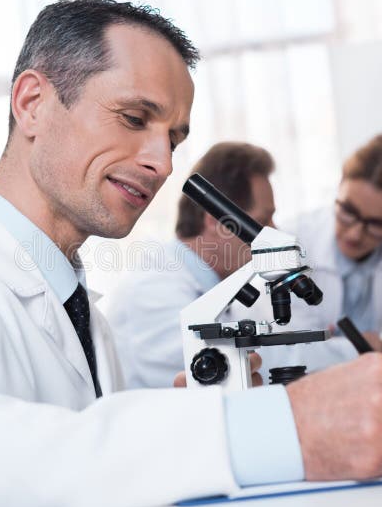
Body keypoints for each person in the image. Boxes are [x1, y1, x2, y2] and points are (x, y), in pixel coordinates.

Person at [0, 0, 382, 507]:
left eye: (173, 136)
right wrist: (248, 433)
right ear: (32, 103)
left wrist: (183, 419)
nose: (163, 162)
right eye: (132, 117)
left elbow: (76, 468)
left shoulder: (79, 308)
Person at [104, 141, 276, 389]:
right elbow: (236, 377)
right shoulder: (153, 295)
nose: (275, 232)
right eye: (262, 221)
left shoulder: (215, 288)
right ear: (218, 222)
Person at [263, 133, 382, 373]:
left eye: (377, 224)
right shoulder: (292, 242)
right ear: (339, 185)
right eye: (348, 212)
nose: (355, 234)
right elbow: (290, 348)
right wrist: (360, 347)